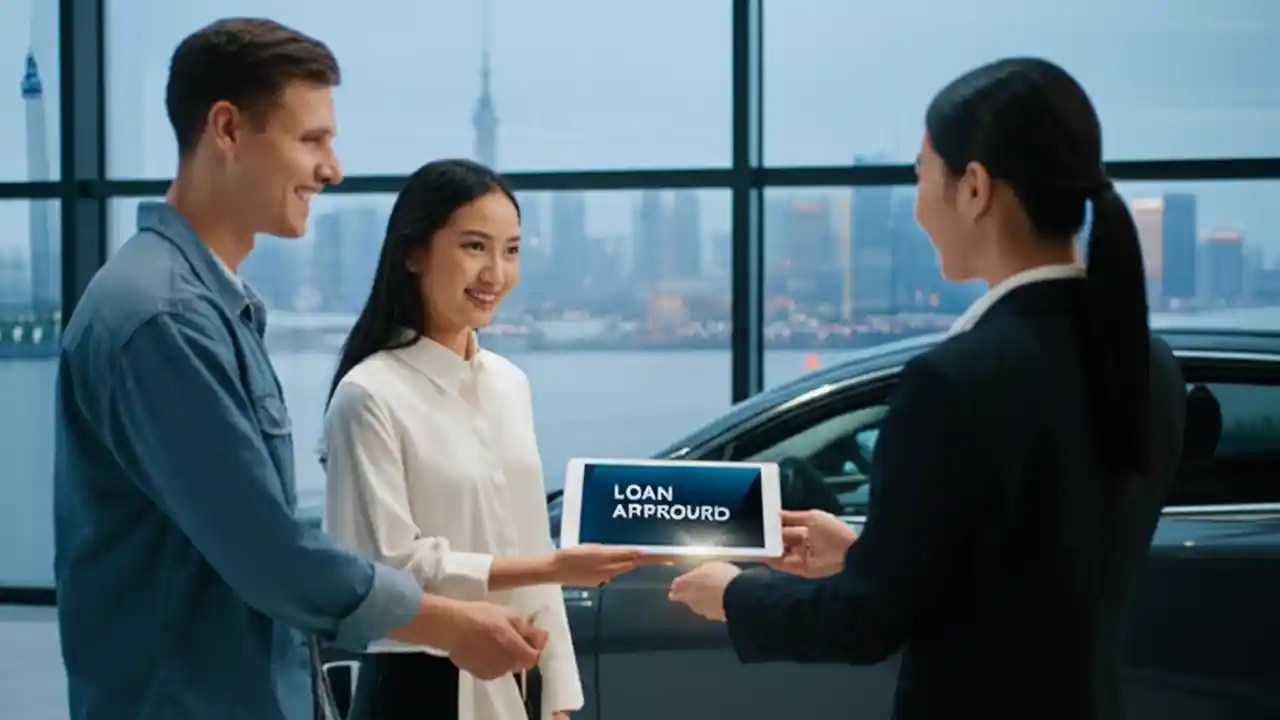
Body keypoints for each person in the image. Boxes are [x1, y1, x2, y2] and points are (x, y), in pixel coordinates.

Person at [53, 19, 545, 720]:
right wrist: (452, 626)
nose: (332, 168)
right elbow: (270, 554)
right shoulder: (163, 319)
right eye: (311, 139)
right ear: (227, 128)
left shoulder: (211, 307)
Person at [668, 57, 1188, 719]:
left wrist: (732, 595)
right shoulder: (1149, 364)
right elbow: (1029, 573)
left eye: (920, 172)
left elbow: (864, 624)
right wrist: (869, 553)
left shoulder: (953, 384)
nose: (917, 204)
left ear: (973, 187)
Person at [321, 158, 648, 720]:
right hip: (417, 685)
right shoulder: (368, 394)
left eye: (512, 250)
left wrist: (559, 698)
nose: (496, 272)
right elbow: (389, 570)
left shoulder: (509, 384)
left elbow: (527, 541)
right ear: (413, 252)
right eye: (475, 247)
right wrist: (551, 568)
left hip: (519, 682)